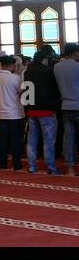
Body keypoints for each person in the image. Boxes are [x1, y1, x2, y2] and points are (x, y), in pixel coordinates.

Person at [24, 48, 61, 175]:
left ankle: (32, 167)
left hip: (32, 111)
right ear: (44, 59)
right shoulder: (48, 71)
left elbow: (26, 92)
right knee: (48, 141)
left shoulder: (27, 72)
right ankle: (51, 167)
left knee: (32, 141)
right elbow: (56, 91)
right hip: (47, 111)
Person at [0, 55, 25, 171]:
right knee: (15, 140)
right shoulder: (15, 78)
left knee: (3, 141)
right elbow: (21, 92)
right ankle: (16, 164)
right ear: (12, 65)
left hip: (1, 113)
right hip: (15, 113)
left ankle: (3, 164)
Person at [54, 43, 79, 176]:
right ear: (75, 53)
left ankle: (70, 168)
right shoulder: (77, 66)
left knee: (68, 137)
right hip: (77, 105)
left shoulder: (57, 67)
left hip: (65, 106)